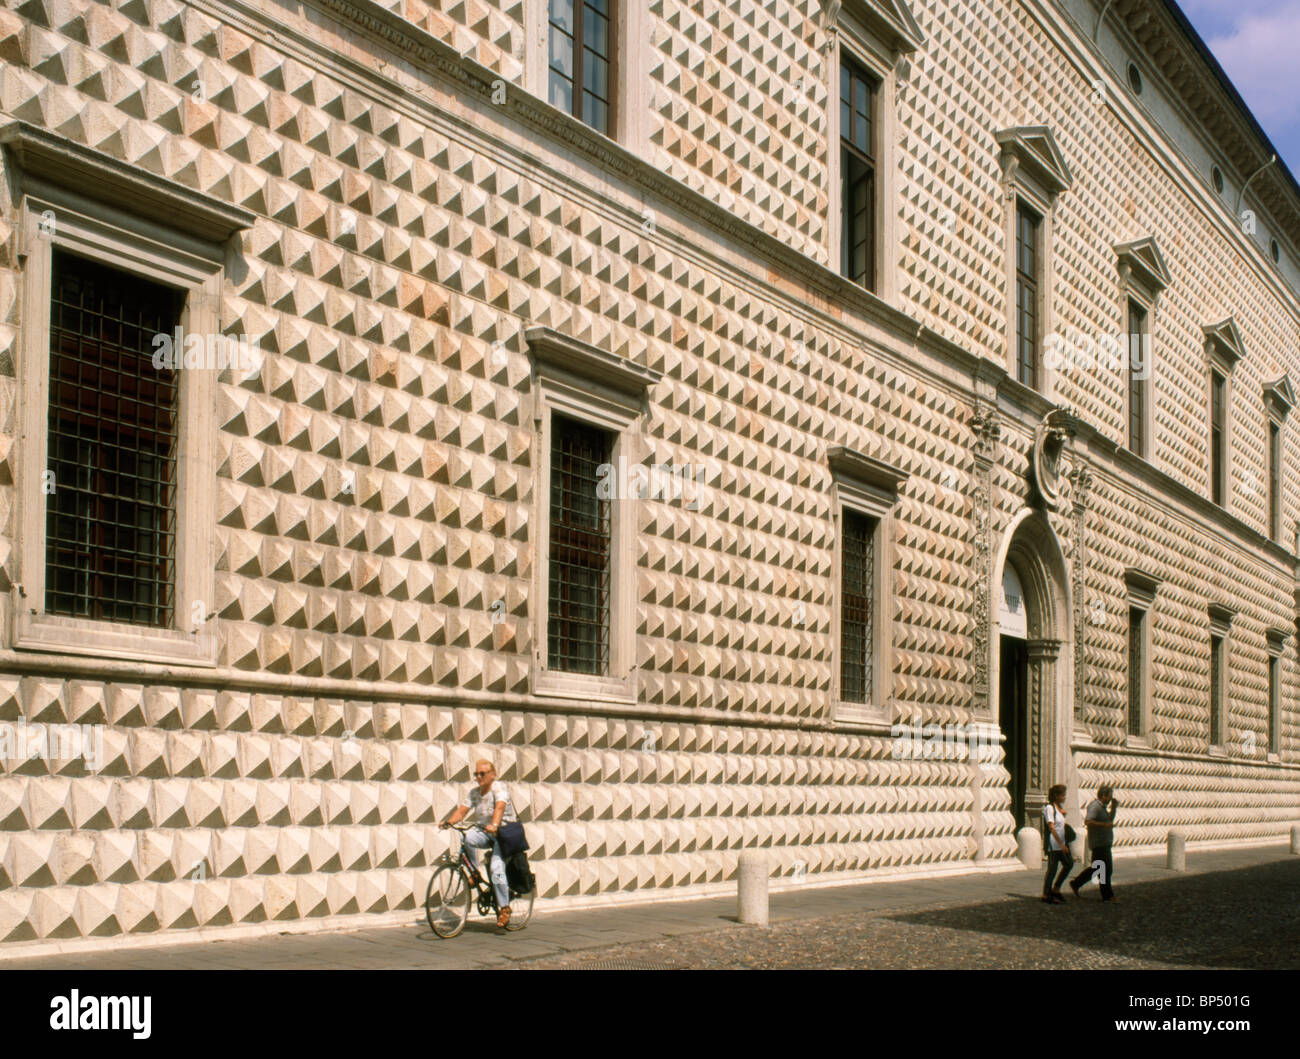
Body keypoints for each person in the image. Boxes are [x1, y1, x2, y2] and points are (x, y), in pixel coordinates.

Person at [439, 759, 518, 927]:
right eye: (476, 774)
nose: (479, 777)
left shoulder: (499, 788)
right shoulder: (475, 792)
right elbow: (462, 811)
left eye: (482, 774)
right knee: (466, 837)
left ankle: (504, 908)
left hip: (503, 833)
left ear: (492, 775)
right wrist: (448, 822)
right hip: (485, 832)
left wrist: (495, 824)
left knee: (496, 867)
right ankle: (474, 873)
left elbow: (500, 807)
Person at [1070, 785, 1118, 901]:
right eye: (1109, 798)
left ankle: (1076, 883)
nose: (1110, 800)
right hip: (1099, 843)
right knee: (1105, 869)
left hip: (1104, 843)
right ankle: (1108, 896)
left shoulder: (1102, 808)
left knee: (1098, 869)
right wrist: (1104, 825)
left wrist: (1114, 809)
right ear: (1103, 796)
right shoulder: (1095, 807)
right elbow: (1088, 821)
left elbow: (1109, 821)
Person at [1041, 783, 1073, 904]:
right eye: (1063, 795)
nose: (1064, 797)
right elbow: (1051, 827)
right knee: (1052, 870)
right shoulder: (1050, 808)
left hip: (1061, 844)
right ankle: (1046, 893)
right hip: (1054, 845)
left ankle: (1056, 888)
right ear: (1056, 795)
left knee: (1069, 864)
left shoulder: (1058, 808)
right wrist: (1061, 845)